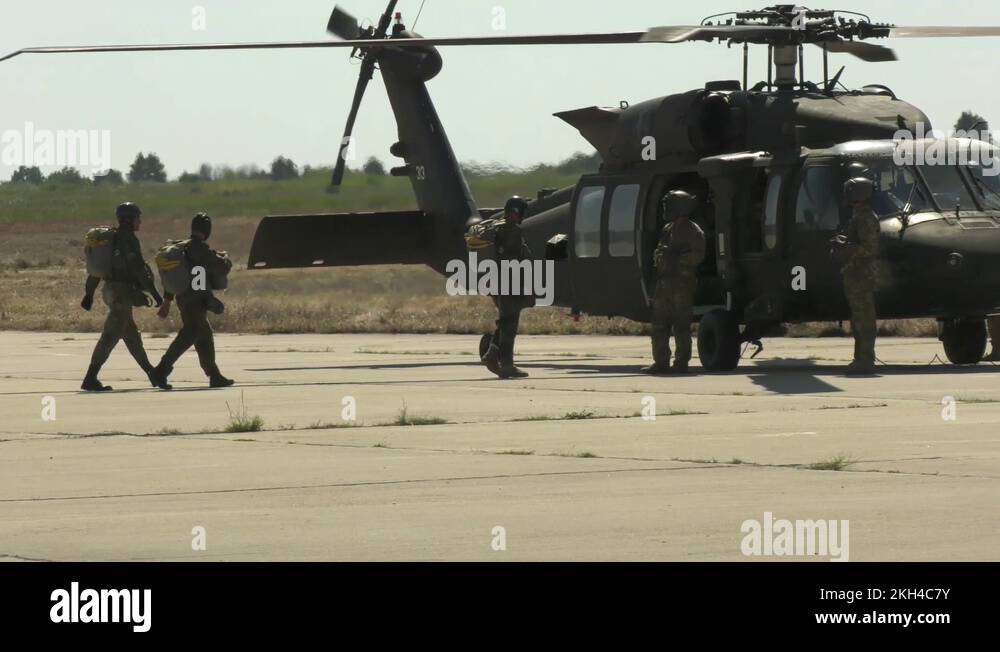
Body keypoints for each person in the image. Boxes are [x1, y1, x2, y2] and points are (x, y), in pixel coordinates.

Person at [80, 202, 163, 392]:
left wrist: (89, 294)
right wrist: (155, 293)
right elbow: (138, 269)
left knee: (132, 336)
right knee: (110, 336)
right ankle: (90, 378)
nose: (139, 221)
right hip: (121, 294)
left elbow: (96, 271)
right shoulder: (129, 240)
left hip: (110, 291)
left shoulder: (110, 240)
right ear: (129, 219)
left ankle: (152, 374)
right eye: (137, 218)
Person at [149, 213, 234, 389]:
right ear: (207, 231)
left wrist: (167, 302)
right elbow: (221, 266)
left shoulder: (184, 248)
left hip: (187, 298)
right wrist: (225, 258)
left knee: (204, 335)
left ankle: (214, 375)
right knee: (189, 335)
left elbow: (175, 277)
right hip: (194, 300)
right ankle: (160, 371)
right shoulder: (199, 249)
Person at [642, 190, 706, 375]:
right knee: (659, 325)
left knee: (681, 325)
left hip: (681, 284)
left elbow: (698, 255)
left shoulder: (693, 231)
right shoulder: (668, 228)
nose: (665, 209)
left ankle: (681, 363)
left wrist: (677, 259)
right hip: (663, 283)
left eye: (668, 205)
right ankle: (660, 362)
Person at [481, 196, 534, 379]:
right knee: (509, 325)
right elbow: (514, 260)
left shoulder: (498, 229)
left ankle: (492, 355)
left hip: (499, 283)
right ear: (518, 213)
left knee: (505, 322)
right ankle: (507, 365)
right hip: (510, 284)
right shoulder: (513, 231)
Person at [833, 177, 880, 375]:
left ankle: (866, 359)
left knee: (864, 319)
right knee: (858, 318)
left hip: (862, 274)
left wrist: (847, 249)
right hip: (855, 273)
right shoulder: (858, 216)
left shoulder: (865, 218)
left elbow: (869, 248)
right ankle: (860, 358)